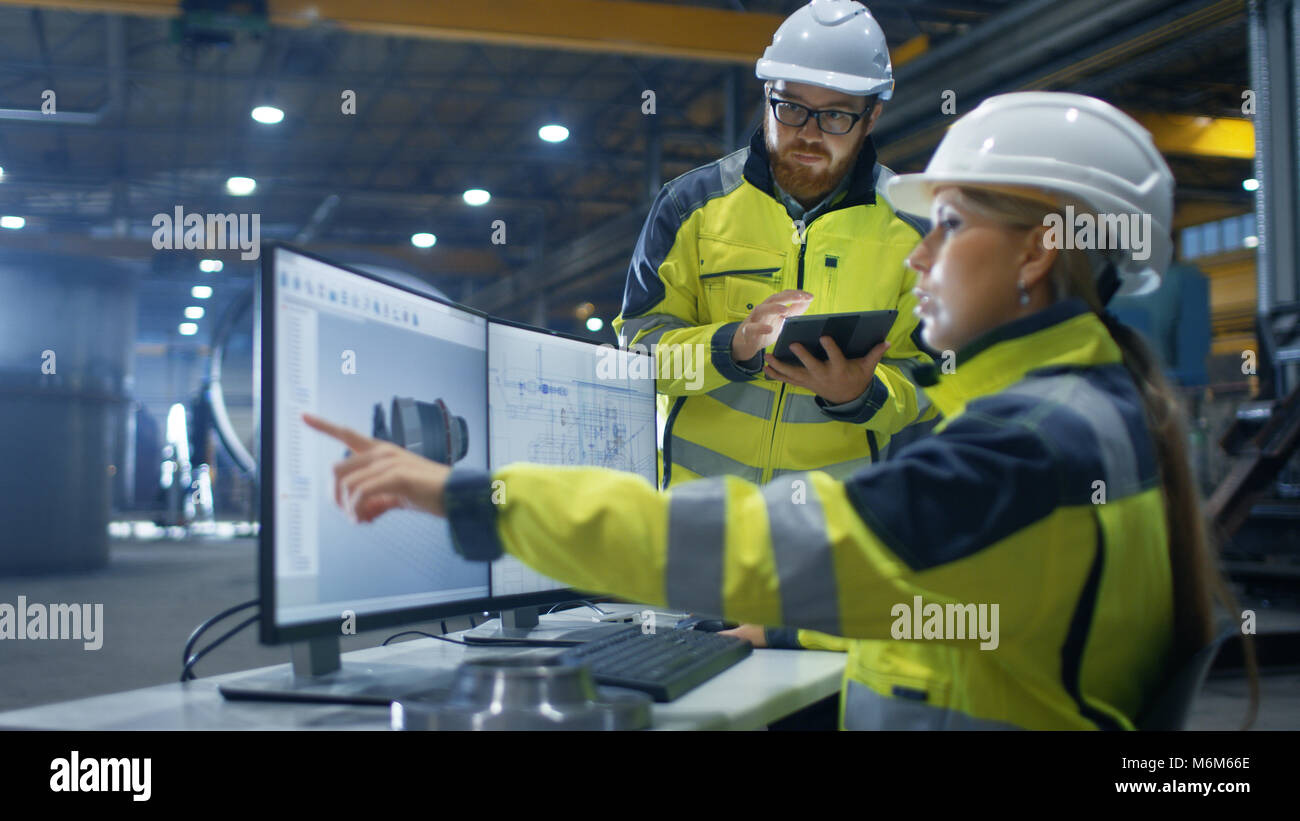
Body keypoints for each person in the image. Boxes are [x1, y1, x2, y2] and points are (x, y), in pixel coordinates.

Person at [303, 91, 1254, 730]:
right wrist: (791, 630)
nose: (919, 258)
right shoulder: (1092, 413)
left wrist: (478, 500)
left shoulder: (1027, 446)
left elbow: (763, 540)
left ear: (1040, 253)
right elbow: (971, 607)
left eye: (952, 226)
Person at [612, 0, 937, 654]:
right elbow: (635, 356)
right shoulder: (691, 207)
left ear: (873, 114)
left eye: (837, 114)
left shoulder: (914, 228)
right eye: (791, 106)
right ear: (767, 95)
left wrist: (863, 395)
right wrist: (726, 347)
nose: (808, 131)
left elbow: (933, 379)